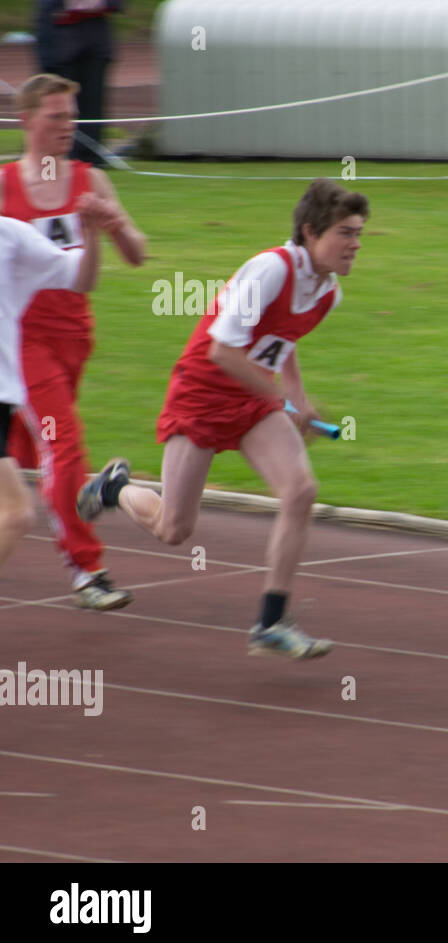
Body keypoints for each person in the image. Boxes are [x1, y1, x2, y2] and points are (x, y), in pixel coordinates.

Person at [77, 179, 368, 659]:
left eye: (359, 233)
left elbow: (282, 342)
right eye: (344, 233)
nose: (355, 244)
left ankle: (271, 623)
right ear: (311, 232)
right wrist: (282, 400)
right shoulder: (270, 271)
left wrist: (298, 399)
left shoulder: (327, 293)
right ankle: (112, 487)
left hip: (253, 401)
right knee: (174, 530)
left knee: (301, 491)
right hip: (203, 393)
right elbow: (222, 352)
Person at [2, 73, 147, 611]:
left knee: (19, 451)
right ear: (27, 122)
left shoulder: (89, 180)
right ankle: (88, 570)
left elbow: (137, 253)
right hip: (21, 342)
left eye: (73, 116)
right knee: (64, 445)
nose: (68, 126)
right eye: (56, 116)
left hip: (74, 341)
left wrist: (114, 227)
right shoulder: (4, 187)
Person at [1, 197, 110, 578]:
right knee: (14, 512)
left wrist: (93, 236)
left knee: (13, 512)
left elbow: (81, 277)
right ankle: (85, 568)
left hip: (3, 397)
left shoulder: (12, 237)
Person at [38, 1, 123, 167]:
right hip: (60, 41)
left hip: (96, 42)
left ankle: (91, 156)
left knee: (93, 102)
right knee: (58, 105)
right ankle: (60, 155)